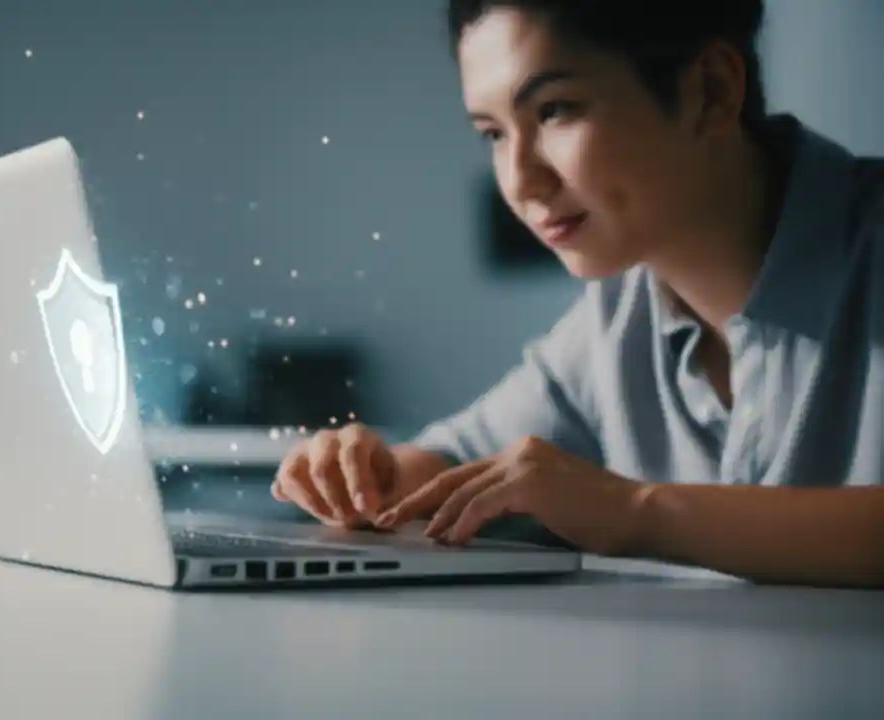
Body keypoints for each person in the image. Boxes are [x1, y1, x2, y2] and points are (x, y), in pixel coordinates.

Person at [271, 0, 884, 588]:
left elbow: (610, 507)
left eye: (555, 110)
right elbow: (456, 464)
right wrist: (365, 479)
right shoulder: (614, 323)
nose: (520, 182)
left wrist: (639, 512)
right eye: (493, 134)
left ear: (711, 90)